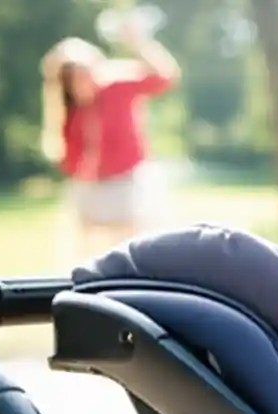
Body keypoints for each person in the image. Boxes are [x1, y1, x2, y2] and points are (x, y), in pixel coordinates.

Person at [40, 28, 179, 262]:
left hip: (130, 183)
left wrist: (139, 42)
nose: (83, 82)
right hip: (92, 191)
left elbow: (165, 77)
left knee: (137, 250)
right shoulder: (68, 112)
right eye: (73, 78)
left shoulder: (118, 87)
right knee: (90, 255)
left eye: (85, 73)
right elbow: (67, 159)